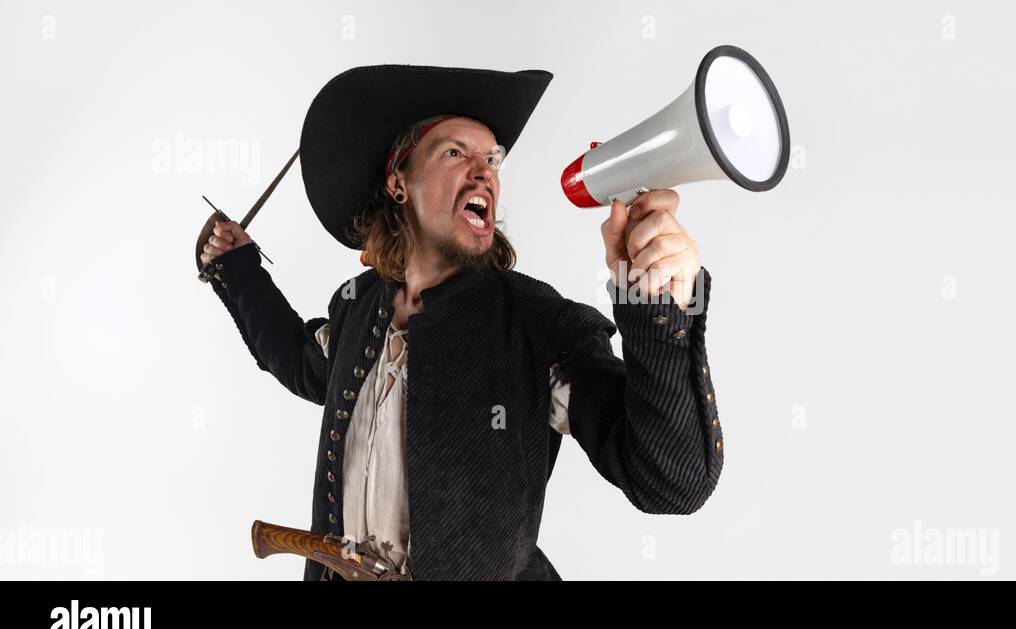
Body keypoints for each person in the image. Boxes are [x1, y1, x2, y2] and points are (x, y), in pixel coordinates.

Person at [200, 64, 724, 580]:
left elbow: (669, 480)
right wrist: (237, 269)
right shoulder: (358, 306)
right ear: (397, 181)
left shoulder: (534, 325)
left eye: (492, 159)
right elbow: (297, 358)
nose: (486, 172)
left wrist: (656, 307)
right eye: (456, 152)